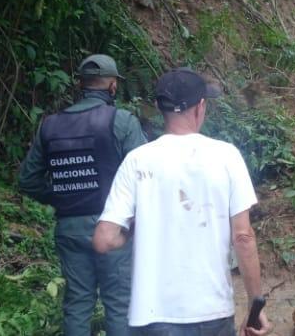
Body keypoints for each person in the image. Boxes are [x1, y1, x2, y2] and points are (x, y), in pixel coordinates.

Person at [92, 68, 271, 336]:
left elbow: (103, 239)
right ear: (201, 107)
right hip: (211, 313)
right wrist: (255, 305)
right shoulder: (226, 156)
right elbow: (243, 237)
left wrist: (134, 231)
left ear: (158, 108)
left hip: (151, 317)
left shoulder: (137, 160)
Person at [19, 54, 146, 336]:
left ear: (80, 84)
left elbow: (27, 180)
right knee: (118, 304)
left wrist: (62, 196)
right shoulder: (122, 121)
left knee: (77, 304)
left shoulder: (50, 125)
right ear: (113, 86)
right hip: (113, 229)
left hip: (69, 228)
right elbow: (145, 178)